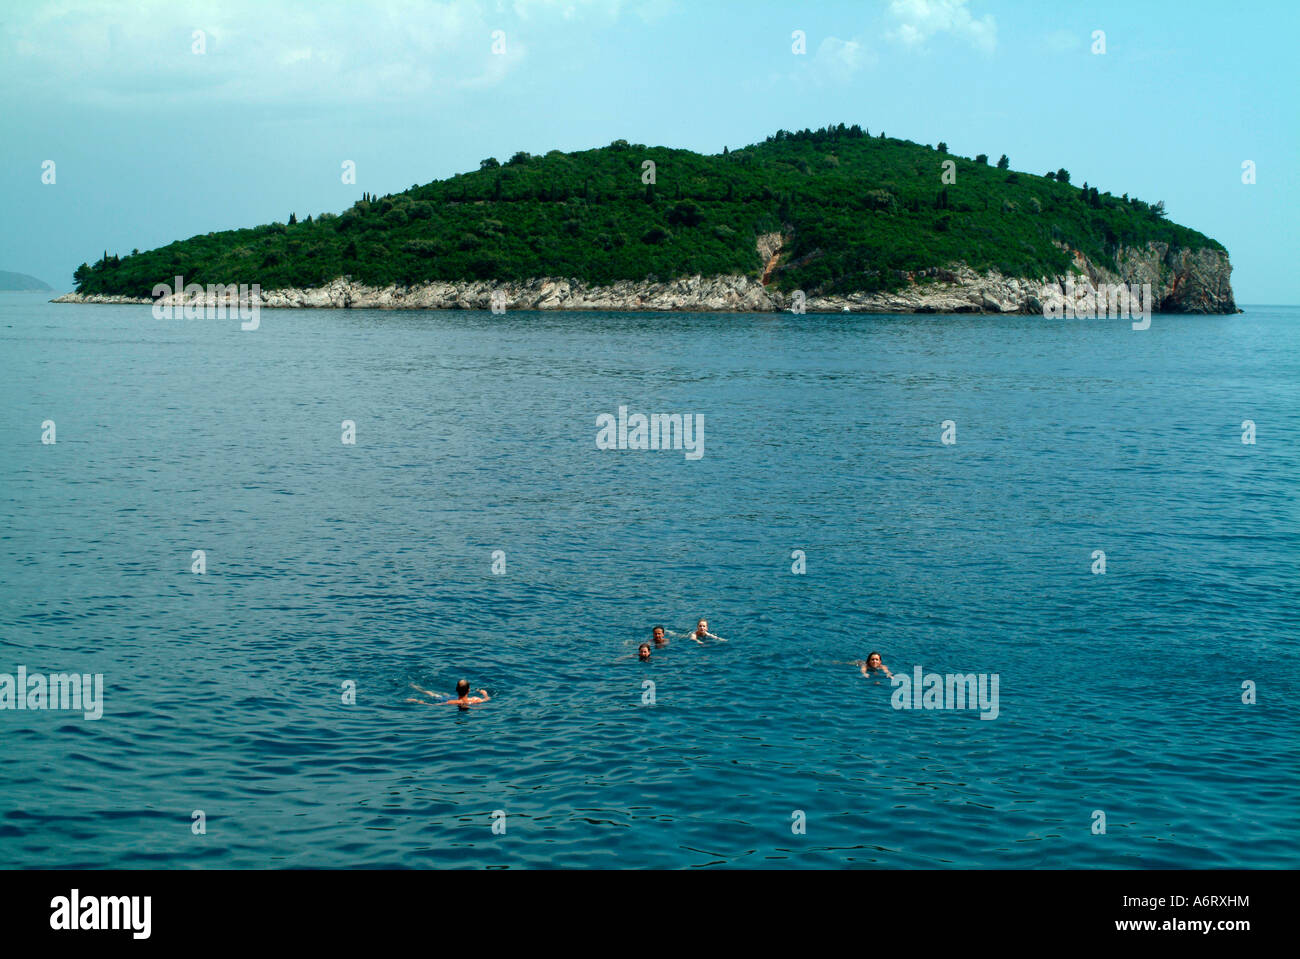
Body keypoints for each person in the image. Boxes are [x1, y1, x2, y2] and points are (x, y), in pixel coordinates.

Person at [407, 680, 489, 709]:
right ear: (469, 690)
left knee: (433, 694)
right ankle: (415, 686)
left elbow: (435, 705)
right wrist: (485, 694)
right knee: (440, 694)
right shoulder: (476, 699)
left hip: (454, 698)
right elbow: (487, 699)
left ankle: (415, 687)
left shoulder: (452, 702)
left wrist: (418, 701)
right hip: (455, 698)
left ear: (456, 689)